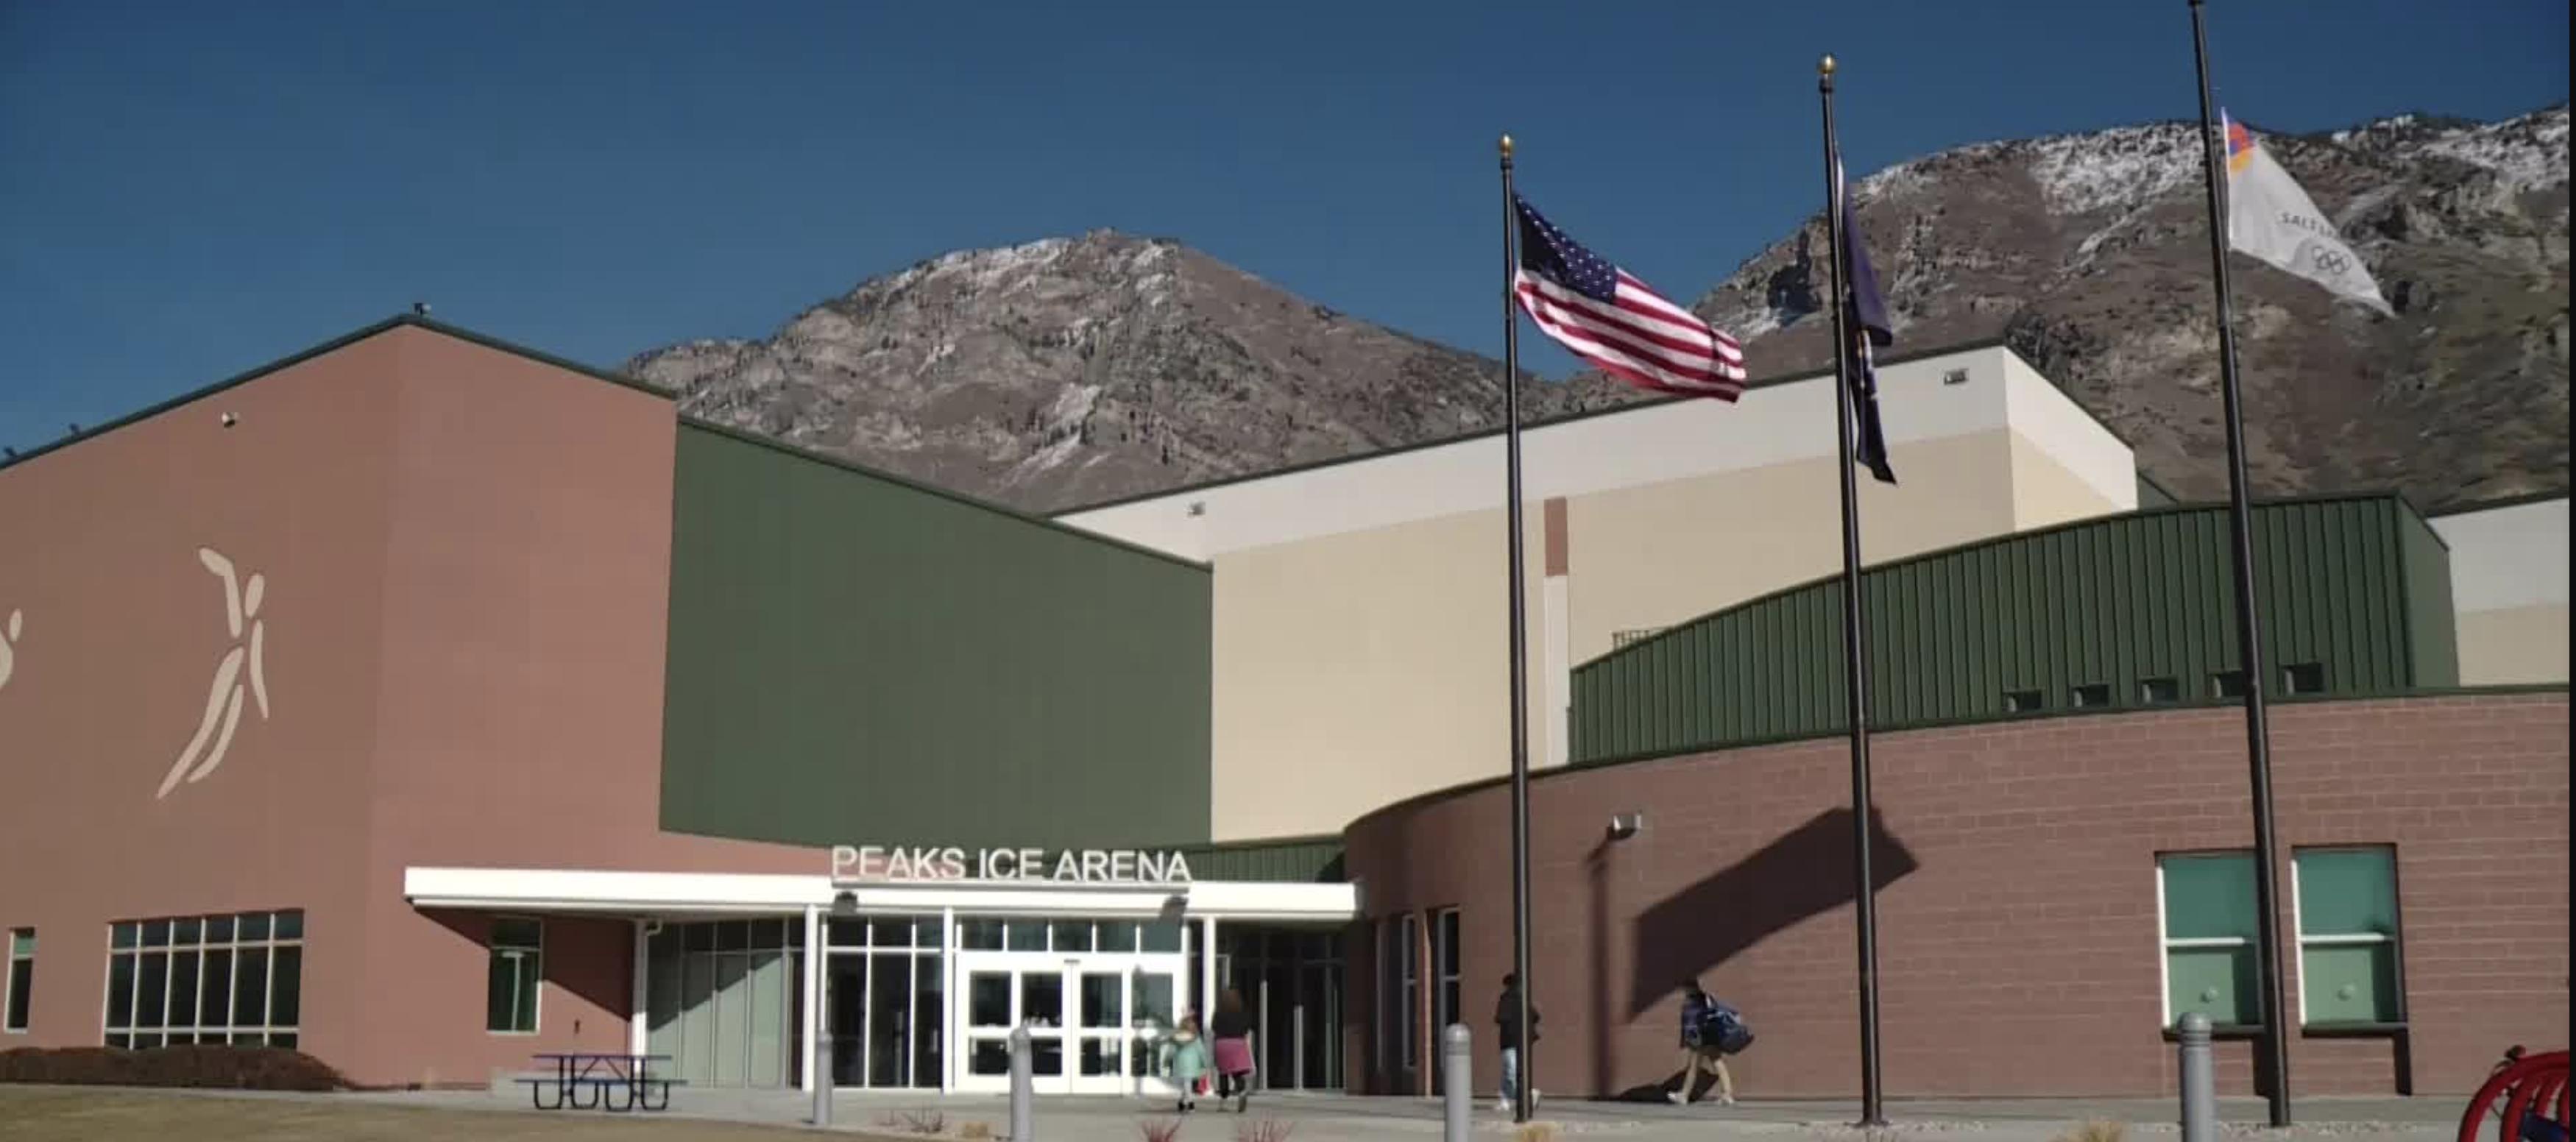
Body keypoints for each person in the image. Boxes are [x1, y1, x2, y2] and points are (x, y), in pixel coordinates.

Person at [1671, 979, 1743, 1106]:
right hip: (1710, 1036)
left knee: (1693, 1067)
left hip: (1699, 1038)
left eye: (1684, 988)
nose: (1683, 990)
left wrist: (1687, 1040)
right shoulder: (1706, 998)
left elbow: (1690, 1023)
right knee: (1717, 1061)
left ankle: (1684, 1095)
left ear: (1689, 988)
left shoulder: (1693, 1001)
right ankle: (1727, 1094)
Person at [1493, 973, 1540, 1114]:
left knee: (1510, 1072)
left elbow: (1500, 1017)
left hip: (1509, 1040)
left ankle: (1528, 1094)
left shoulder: (1507, 998)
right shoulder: (1523, 999)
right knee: (1508, 1071)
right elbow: (1536, 1016)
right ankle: (1504, 1100)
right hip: (1522, 1040)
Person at [1210, 988, 1256, 1113]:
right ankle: (1241, 1091)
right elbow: (1247, 1027)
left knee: (1223, 1073)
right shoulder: (1242, 1012)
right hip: (1238, 1043)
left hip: (1222, 1043)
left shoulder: (1219, 1012)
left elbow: (1214, 1027)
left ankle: (1223, 1102)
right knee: (1238, 1072)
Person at [1162, 1012, 1214, 1113]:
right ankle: (1190, 1103)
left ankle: (1182, 1102)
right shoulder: (1196, 1039)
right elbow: (1201, 1052)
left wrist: (1166, 1062)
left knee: (1187, 1083)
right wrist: (1205, 1064)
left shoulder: (1176, 1038)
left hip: (1180, 1064)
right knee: (1188, 1082)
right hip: (1193, 1065)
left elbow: (1171, 1051)